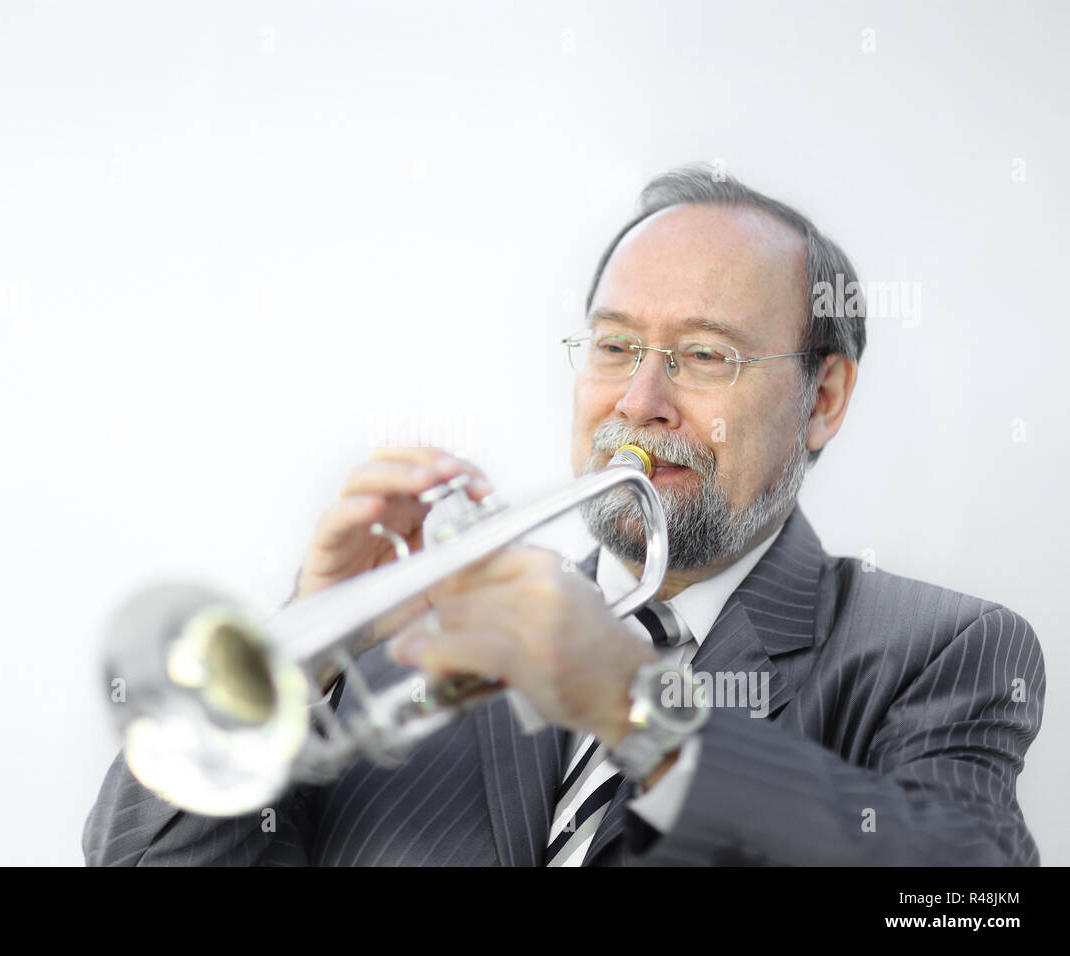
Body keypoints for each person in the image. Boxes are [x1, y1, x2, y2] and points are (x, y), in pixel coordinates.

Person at [83, 164, 1044, 866]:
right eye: (616, 347)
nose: (639, 403)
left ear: (825, 397)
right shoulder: (402, 655)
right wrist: (303, 637)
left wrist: (641, 710)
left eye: (705, 356)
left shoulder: (936, 649)